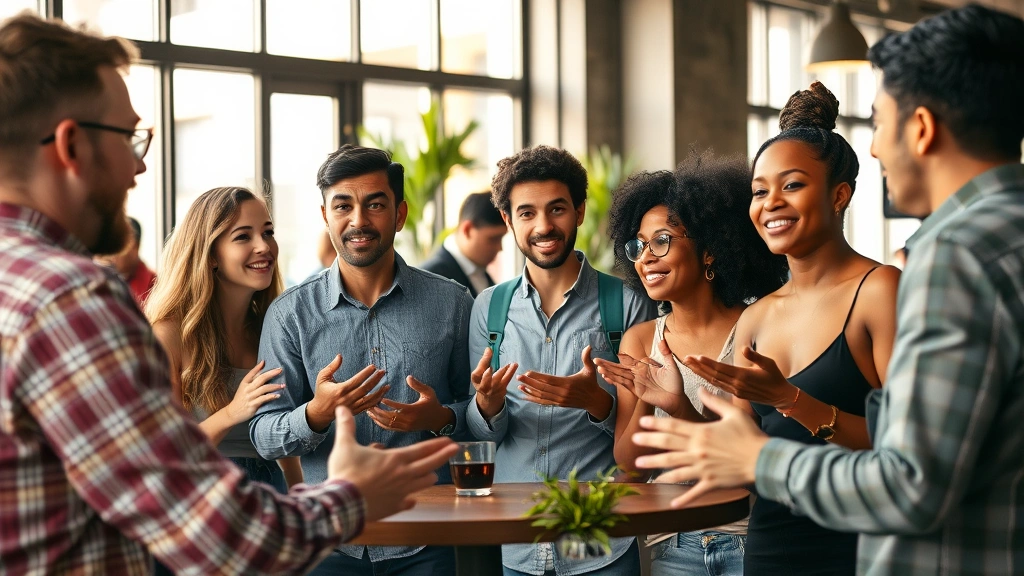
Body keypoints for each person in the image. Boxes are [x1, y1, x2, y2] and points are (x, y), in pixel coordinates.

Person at [0, 14, 458, 576]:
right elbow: (210, 529)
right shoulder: (69, 298)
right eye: (131, 137)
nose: (141, 164)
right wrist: (355, 496)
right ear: (71, 145)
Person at [632, 5, 1024, 575]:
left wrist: (772, 445)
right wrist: (684, 409)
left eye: (880, 123)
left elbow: (909, 480)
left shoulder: (952, 256)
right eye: (760, 190)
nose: (876, 149)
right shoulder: (1002, 236)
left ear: (921, 128)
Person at [250, 144, 475, 576]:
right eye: (343, 206)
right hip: (330, 544)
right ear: (325, 217)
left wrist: (441, 416)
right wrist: (315, 413)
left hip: (427, 536)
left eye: (375, 204)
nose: (358, 221)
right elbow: (264, 434)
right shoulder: (290, 313)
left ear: (400, 213)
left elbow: (483, 415)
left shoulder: (452, 303)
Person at [466, 145, 659, 576]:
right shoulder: (488, 309)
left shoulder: (627, 305)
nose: (543, 226)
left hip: (602, 543)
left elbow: (648, 428)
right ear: (507, 220)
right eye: (527, 213)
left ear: (580, 211)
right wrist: (487, 406)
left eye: (557, 209)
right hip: (519, 539)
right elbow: (478, 432)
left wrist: (597, 403)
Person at [594, 153, 788, 576]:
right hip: (673, 543)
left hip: (748, 537)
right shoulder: (642, 339)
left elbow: (742, 457)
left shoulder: (754, 328)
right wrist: (647, 399)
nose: (645, 257)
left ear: (710, 252)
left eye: (662, 241)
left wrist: (679, 407)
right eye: (639, 245)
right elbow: (629, 464)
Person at [147, 186, 304, 493]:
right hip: (203, 500)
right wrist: (232, 412)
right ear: (211, 255)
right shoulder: (168, 335)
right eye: (243, 236)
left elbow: (283, 446)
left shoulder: (273, 329)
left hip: (273, 496)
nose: (264, 247)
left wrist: (304, 497)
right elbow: (165, 454)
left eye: (268, 232)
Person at [421, 191, 506, 297]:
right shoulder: (429, 278)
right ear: (467, 230)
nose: (499, 248)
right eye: (493, 239)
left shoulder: (481, 272)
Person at [95, 216, 157, 307]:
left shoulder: (155, 285)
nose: (113, 254)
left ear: (136, 247)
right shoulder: (103, 280)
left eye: (119, 246)